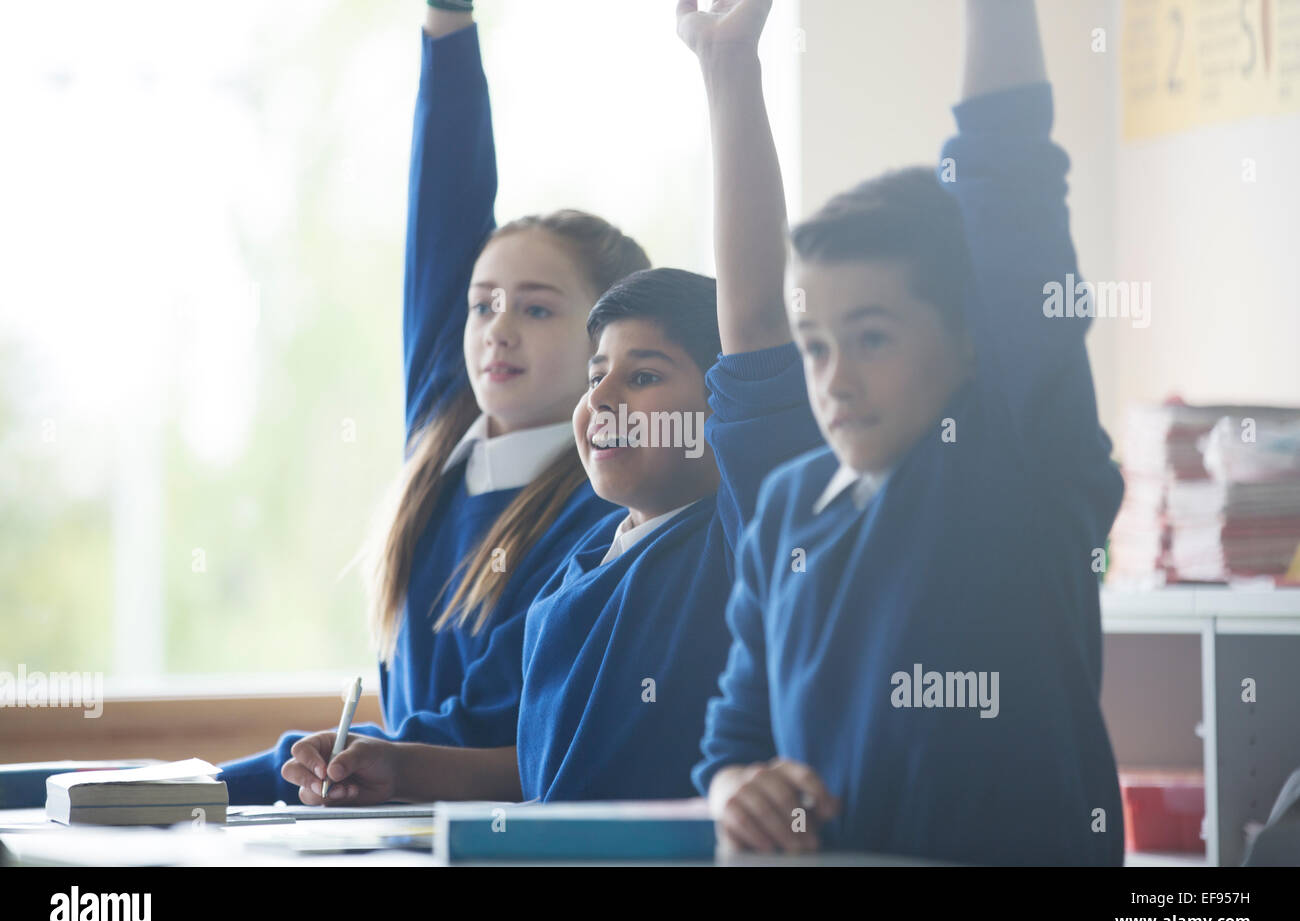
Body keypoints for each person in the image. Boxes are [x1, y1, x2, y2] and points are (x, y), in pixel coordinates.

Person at [277, 0, 824, 806]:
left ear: (719, 410)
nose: (600, 394)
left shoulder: (736, 536)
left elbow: (757, 324)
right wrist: (402, 768)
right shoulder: (578, 570)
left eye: (644, 376)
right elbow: (539, 771)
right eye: (599, 371)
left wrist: (729, 68)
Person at [694, 0, 1126, 865]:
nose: (834, 378)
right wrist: (738, 790)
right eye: (816, 346)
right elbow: (735, 740)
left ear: (970, 341)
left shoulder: (1018, 448)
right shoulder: (789, 505)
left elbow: (1010, 177)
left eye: (875, 338)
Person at [218, 3, 646, 804]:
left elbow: (474, 728)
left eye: (538, 308)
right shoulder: (444, 430)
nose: (498, 331)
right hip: (387, 819)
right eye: (483, 305)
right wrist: (447, 20)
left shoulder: (602, 512)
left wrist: (225, 783)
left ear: (603, 344)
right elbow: (444, 206)